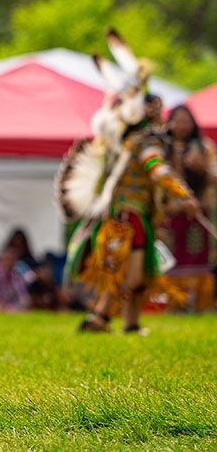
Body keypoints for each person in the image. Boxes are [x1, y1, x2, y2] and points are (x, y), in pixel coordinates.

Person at [58, 30, 199, 334]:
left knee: (139, 274)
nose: (161, 115)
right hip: (128, 215)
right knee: (125, 273)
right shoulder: (146, 140)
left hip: (134, 214)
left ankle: (130, 323)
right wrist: (183, 193)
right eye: (156, 110)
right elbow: (156, 169)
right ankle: (99, 317)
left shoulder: (136, 139)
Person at [162, 105, 217, 311]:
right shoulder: (162, 148)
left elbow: (215, 175)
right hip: (172, 213)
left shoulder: (205, 147)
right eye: (178, 120)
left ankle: (200, 304)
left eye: (186, 120)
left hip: (198, 212)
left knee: (197, 256)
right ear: (170, 124)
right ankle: (175, 303)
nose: (182, 125)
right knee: (173, 258)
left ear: (193, 123)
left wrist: (201, 167)